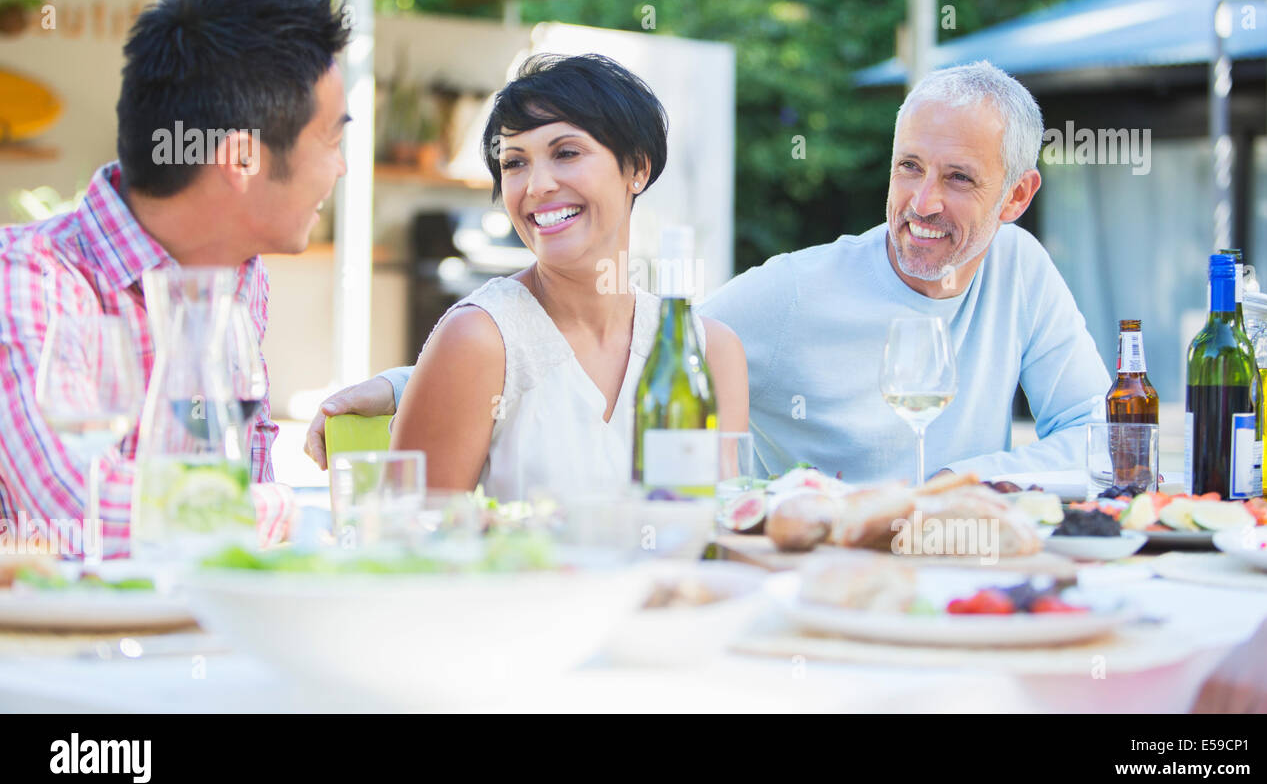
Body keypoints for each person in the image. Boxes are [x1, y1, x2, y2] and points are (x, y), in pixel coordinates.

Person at [306, 60, 1103, 483]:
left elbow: (1106, 441)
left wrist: (971, 484)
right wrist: (414, 380)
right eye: (908, 169)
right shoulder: (792, 292)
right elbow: (566, 354)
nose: (922, 203)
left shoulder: (1022, 274)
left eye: (959, 179)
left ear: (1016, 196)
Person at [0, 0, 350, 559]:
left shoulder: (238, 276)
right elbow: (75, 514)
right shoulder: (28, 279)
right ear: (241, 157)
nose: (339, 169)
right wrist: (285, 511)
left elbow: (231, 490)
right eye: (332, 142)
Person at [383, 54, 747, 498]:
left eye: (566, 153)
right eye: (515, 163)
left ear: (638, 168)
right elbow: (411, 539)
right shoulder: (480, 339)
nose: (537, 185)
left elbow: (723, 528)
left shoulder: (711, 353)